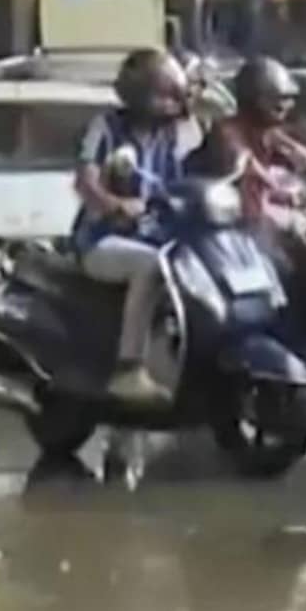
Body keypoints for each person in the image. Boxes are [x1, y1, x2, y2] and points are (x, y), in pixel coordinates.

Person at [72, 48, 205, 409]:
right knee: (152, 266)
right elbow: (86, 182)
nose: (172, 105)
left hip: (158, 235)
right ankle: (128, 369)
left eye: (175, 96)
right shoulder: (107, 127)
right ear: (141, 95)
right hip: (104, 239)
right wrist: (114, 204)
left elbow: (195, 178)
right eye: (164, 96)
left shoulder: (174, 134)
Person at [203, 57, 306, 248]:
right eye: (280, 99)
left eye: (288, 99)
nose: (288, 105)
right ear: (257, 98)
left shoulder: (269, 132)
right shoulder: (227, 131)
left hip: (267, 213)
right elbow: (248, 167)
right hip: (239, 221)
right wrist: (286, 191)